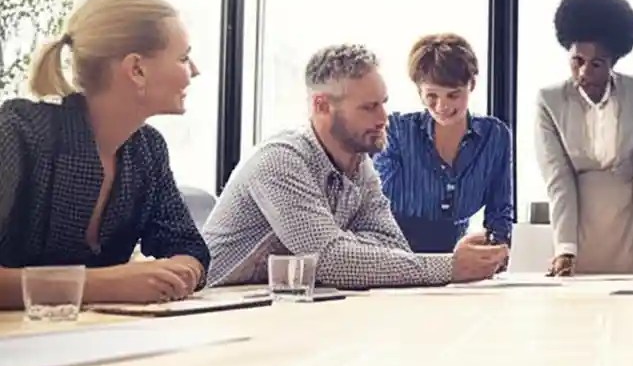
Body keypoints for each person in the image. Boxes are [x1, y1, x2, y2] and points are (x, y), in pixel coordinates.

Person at [203, 44, 507, 288]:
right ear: (322, 106)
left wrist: (341, 248)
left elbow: (393, 245)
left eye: (383, 103)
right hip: (212, 306)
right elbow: (332, 262)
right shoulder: (280, 160)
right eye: (368, 107)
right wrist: (450, 267)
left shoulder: (360, 164)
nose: (384, 118)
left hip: (277, 304)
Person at [0, 0, 210, 308]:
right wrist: (106, 284)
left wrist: (180, 272)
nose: (194, 70)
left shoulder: (148, 150)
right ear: (136, 69)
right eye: (183, 58)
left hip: (88, 340)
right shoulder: (16, 132)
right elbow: (111, 285)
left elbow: (187, 245)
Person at [534, 0, 633, 276]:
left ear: (613, 62)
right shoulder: (549, 100)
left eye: (597, 64)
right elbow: (558, 182)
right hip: (577, 236)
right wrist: (565, 250)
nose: (584, 72)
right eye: (577, 61)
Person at [374, 33, 513, 253]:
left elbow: (500, 209)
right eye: (432, 96)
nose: (442, 106)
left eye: (453, 95)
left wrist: (498, 248)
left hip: (456, 255)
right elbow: (372, 202)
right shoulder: (398, 132)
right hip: (391, 252)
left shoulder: (494, 136)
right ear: (419, 92)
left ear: (472, 84)